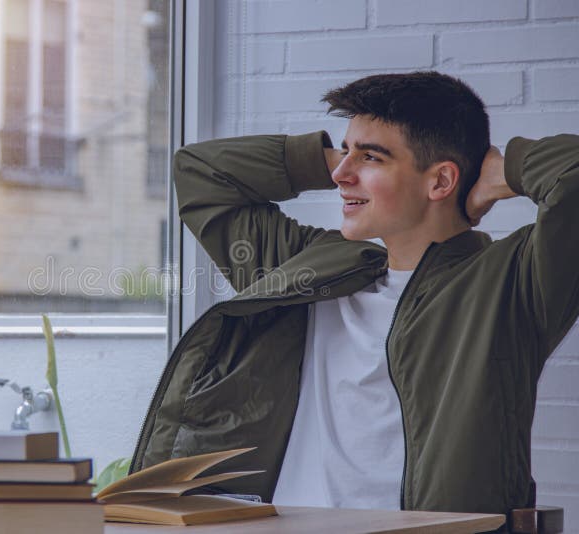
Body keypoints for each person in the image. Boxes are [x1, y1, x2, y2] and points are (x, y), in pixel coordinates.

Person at [127, 71, 579, 518]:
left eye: (371, 158)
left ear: (440, 181)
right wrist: (332, 161)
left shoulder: (513, 283)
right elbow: (200, 172)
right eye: (346, 152)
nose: (342, 175)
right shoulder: (310, 267)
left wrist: (502, 173)